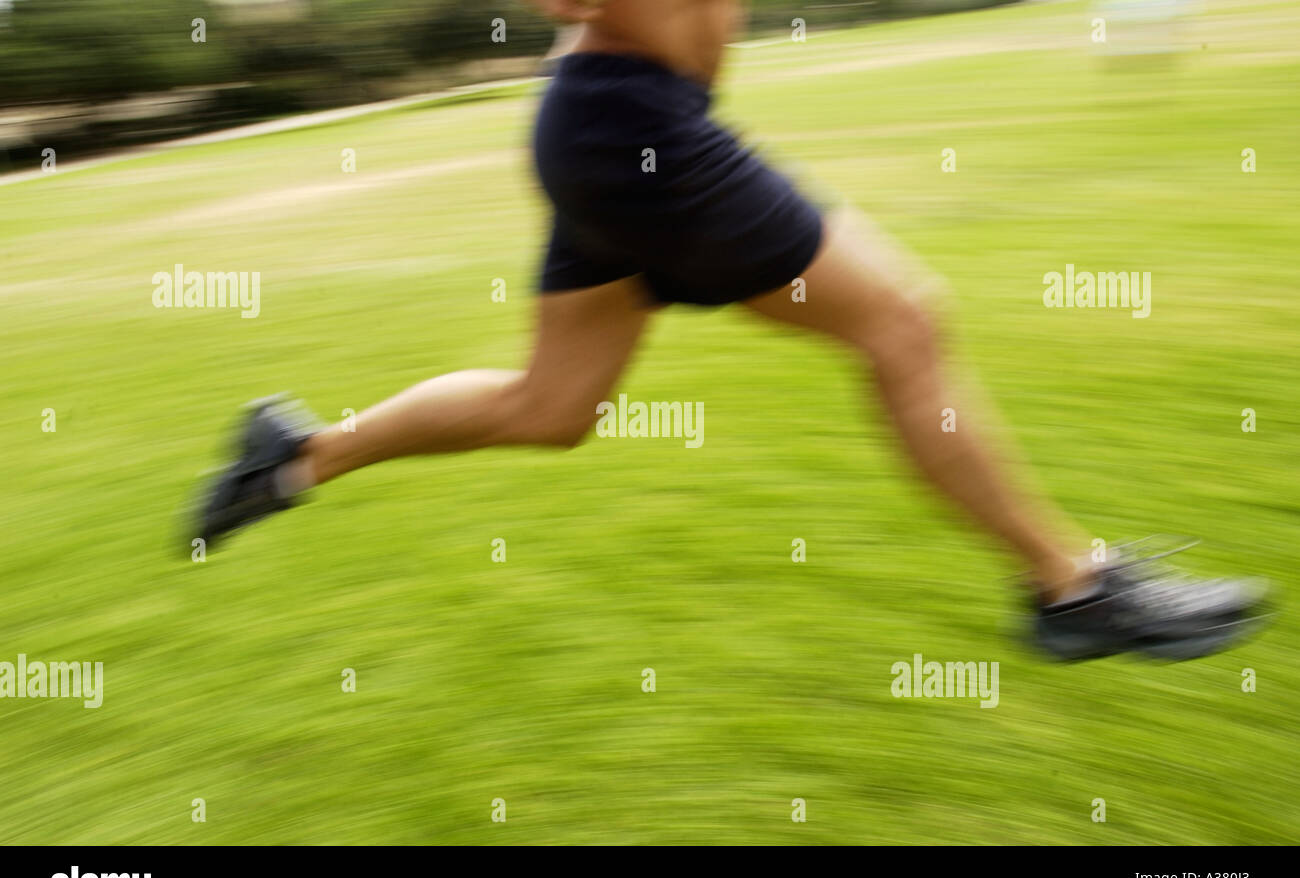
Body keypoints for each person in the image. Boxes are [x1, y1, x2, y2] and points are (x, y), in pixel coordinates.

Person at [190, 0, 1268, 661]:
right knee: (902, 325)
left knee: (552, 406)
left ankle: (295, 458)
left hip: (617, 127)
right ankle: (1071, 587)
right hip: (630, 124)